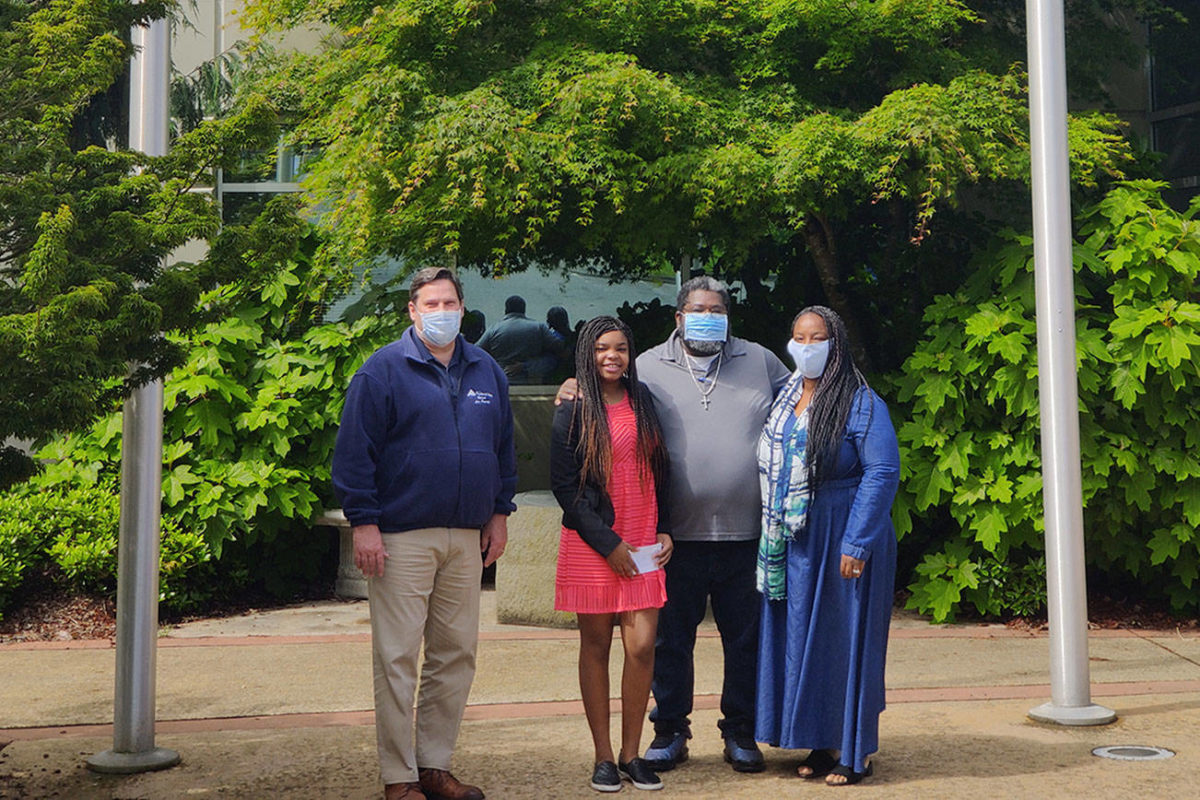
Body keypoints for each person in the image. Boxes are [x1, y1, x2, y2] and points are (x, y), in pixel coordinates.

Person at [557, 276, 791, 774]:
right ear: (679, 316)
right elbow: (604, 402)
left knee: (744, 639)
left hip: (744, 531)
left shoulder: (762, 360)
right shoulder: (646, 368)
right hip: (672, 536)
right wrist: (572, 384)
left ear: (728, 316)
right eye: (697, 308)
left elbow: (803, 400)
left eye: (716, 309)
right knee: (666, 643)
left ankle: (740, 732)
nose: (707, 315)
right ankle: (668, 731)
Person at [332, 267, 517, 800]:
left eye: (450, 302)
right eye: (431, 303)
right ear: (412, 311)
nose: (442, 311)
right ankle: (399, 777)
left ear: (463, 307)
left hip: (467, 536)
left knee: (456, 653)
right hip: (400, 536)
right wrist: (364, 523)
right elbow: (353, 457)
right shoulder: (382, 371)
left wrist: (500, 512)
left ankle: (435, 766)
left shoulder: (487, 370)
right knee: (397, 657)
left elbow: (503, 449)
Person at [754, 305, 900, 786]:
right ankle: (821, 741)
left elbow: (881, 472)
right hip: (796, 538)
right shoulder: (787, 394)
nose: (807, 346)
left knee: (847, 641)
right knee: (807, 642)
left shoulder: (860, 402)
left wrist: (857, 541)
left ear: (835, 344)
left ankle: (853, 755)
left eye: (817, 338)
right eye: (799, 337)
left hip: (845, 530)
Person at [550, 316, 674, 793]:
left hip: (642, 538)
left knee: (642, 647)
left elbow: (663, 468)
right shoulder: (573, 407)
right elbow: (565, 487)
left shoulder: (644, 401)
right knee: (596, 647)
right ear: (587, 352)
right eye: (602, 348)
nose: (612, 356)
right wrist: (609, 544)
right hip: (593, 543)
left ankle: (632, 753)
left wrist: (666, 528)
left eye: (621, 348)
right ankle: (603, 756)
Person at [476, 295, 565, 383]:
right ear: (524, 310)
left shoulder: (494, 329)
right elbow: (561, 348)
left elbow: (475, 352)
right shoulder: (538, 327)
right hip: (533, 383)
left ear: (506, 310)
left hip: (501, 381)